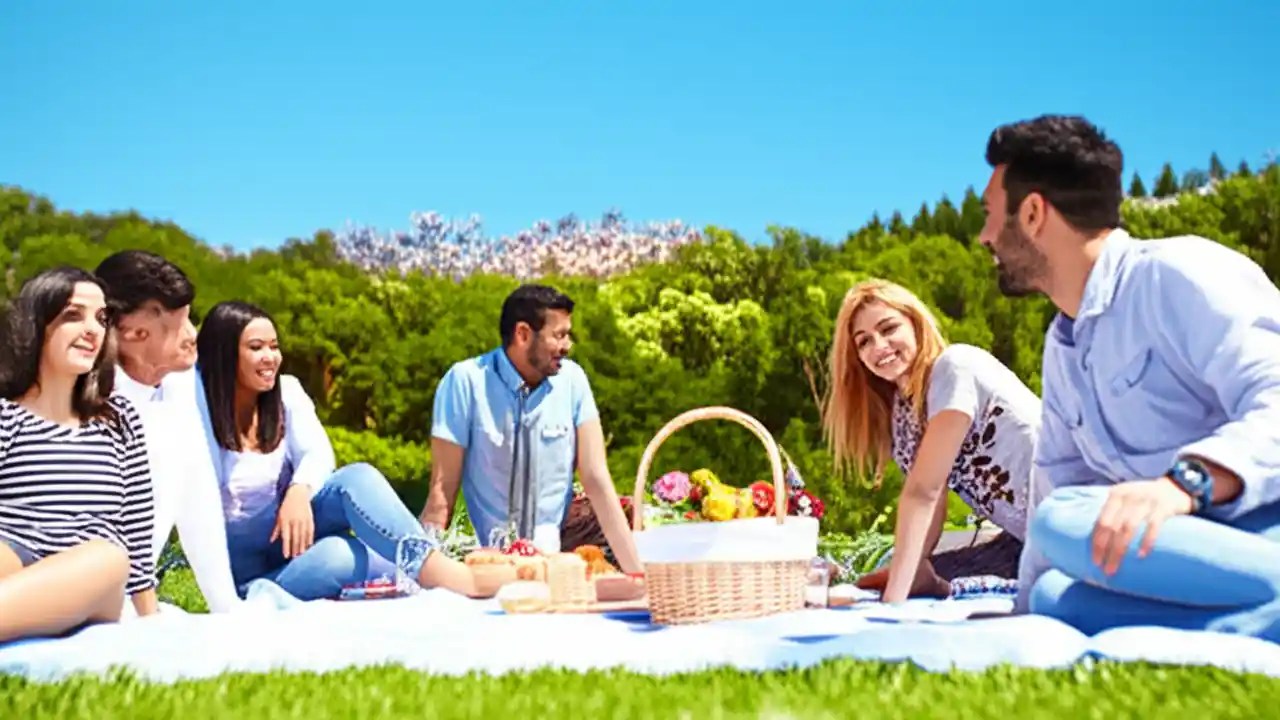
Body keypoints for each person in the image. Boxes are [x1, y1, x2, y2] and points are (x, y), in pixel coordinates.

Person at [980, 113, 1280, 639]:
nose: (984, 237)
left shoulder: (1178, 275)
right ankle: (1256, 624)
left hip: (1259, 528)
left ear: (1031, 213)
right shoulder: (1063, 347)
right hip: (1189, 556)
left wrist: (1184, 485)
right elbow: (1057, 481)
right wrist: (1022, 615)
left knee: (1060, 522)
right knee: (1054, 597)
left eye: (989, 214)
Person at [195, 300, 477, 600]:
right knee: (342, 555)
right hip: (250, 579)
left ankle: (437, 569)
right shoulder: (195, 409)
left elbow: (318, 453)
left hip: (292, 539)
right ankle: (428, 570)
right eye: (256, 348)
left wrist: (298, 491)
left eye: (274, 346)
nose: (270, 358)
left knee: (358, 478)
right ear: (224, 353)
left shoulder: (287, 391)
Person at [822, 278, 1046, 606]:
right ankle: (927, 580)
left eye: (888, 329)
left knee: (1031, 586)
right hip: (1029, 538)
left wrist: (892, 607)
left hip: (1076, 515)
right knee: (938, 569)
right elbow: (932, 504)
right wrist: (912, 567)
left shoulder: (955, 368)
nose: (879, 346)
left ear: (915, 324)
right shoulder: (904, 415)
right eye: (864, 342)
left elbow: (923, 492)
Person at [421, 283, 642, 574]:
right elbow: (441, 492)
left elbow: (596, 478)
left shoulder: (574, 382)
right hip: (485, 568)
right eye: (559, 335)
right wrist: (422, 575)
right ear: (523, 334)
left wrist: (637, 573)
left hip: (553, 568)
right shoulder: (465, 382)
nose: (567, 346)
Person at [0, 267, 157, 642]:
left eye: (101, 319)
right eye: (74, 315)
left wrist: (151, 619)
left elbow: (136, 524)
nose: (94, 330)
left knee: (108, 558)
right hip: (12, 551)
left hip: (90, 574)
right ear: (36, 325)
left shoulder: (118, 421)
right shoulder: (6, 416)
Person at [94, 250, 242, 614]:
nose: (193, 335)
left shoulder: (178, 384)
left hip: (133, 599)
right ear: (131, 333)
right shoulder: (88, 399)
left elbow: (198, 500)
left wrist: (227, 609)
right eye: (177, 325)